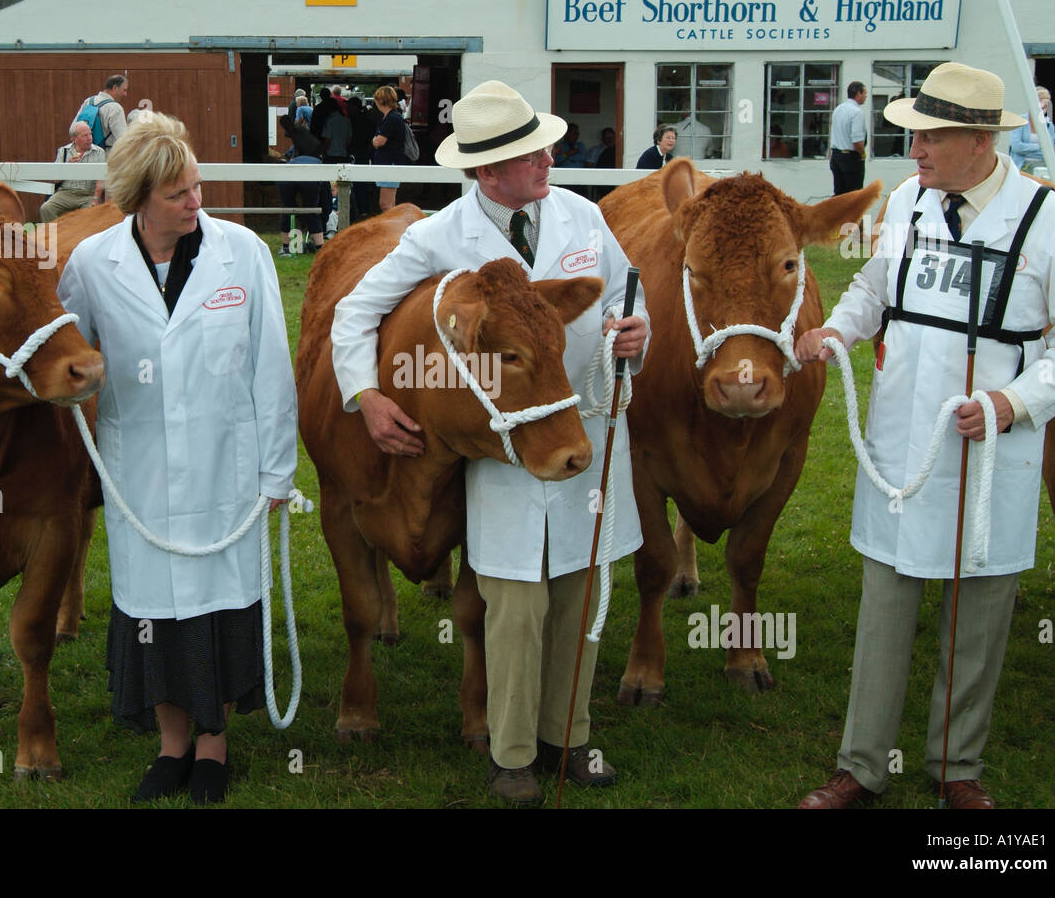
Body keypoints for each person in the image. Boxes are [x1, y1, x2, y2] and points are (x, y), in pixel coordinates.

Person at [330, 80, 650, 806]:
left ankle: (568, 737)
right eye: (525, 152)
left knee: (578, 593)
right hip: (504, 452)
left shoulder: (584, 218)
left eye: (541, 144)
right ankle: (511, 757)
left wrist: (639, 335)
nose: (546, 157)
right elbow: (355, 312)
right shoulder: (441, 235)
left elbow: (633, 300)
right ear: (485, 172)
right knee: (513, 605)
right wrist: (367, 394)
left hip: (586, 429)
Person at [794, 62, 1055, 810]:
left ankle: (956, 768)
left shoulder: (1048, 220)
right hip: (903, 436)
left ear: (978, 139)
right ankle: (860, 765)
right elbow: (872, 288)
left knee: (981, 606)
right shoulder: (908, 199)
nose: (915, 149)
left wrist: (1012, 402)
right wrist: (835, 328)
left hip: (996, 445)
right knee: (885, 599)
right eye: (914, 135)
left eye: (929, 137)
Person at [56, 112, 297, 805]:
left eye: (196, 186)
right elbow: (66, 356)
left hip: (229, 467)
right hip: (144, 475)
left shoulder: (243, 253)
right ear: (137, 199)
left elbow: (271, 369)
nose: (196, 202)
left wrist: (277, 470)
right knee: (155, 611)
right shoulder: (92, 266)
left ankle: (215, 748)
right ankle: (172, 747)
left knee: (220, 606)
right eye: (178, 194)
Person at [276, 116, 325, 255]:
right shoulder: (317, 156)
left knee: (287, 208)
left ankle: (286, 247)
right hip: (309, 176)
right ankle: (320, 247)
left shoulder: (295, 146)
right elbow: (325, 197)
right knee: (311, 209)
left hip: (288, 174)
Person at [39, 121, 105, 223]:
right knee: (46, 208)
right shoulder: (64, 151)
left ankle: (81, 238)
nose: (89, 138)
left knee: (90, 214)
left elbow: (101, 178)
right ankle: (54, 237)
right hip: (66, 192)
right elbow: (55, 180)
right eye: (85, 135)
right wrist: (67, 166)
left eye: (90, 134)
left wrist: (96, 199)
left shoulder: (99, 152)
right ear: (74, 139)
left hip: (87, 194)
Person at [370, 84, 406, 213]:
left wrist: (374, 140)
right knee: (391, 204)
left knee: (385, 204)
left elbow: (379, 141)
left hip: (389, 163)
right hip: (390, 162)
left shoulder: (391, 118)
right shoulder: (394, 116)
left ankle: (391, 230)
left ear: (381, 101)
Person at [73, 74, 129, 155]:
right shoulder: (115, 108)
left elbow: (73, 129)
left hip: (85, 155)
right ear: (115, 88)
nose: (125, 94)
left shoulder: (88, 101)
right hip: (106, 156)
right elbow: (123, 139)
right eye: (124, 90)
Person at [829, 81, 868, 195]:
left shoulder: (838, 109)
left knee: (839, 194)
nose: (866, 96)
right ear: (858, 93)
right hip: (850, 158)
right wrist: (863, 154)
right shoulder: (857, 112)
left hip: (836, 156)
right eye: (864, 93)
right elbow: (856, 141)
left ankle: (837, 213)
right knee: (854, 195)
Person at [1008, 86, 1055, 174]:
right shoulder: (1020, 121)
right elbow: (1016, 146)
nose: (1044, 105)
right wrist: (1039, 146)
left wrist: (1026, 150)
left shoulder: (1049, 126)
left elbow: (1049, 151)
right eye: (1041, 102)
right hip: (1020, 167)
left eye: (1047, 103)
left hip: (1042, 169)